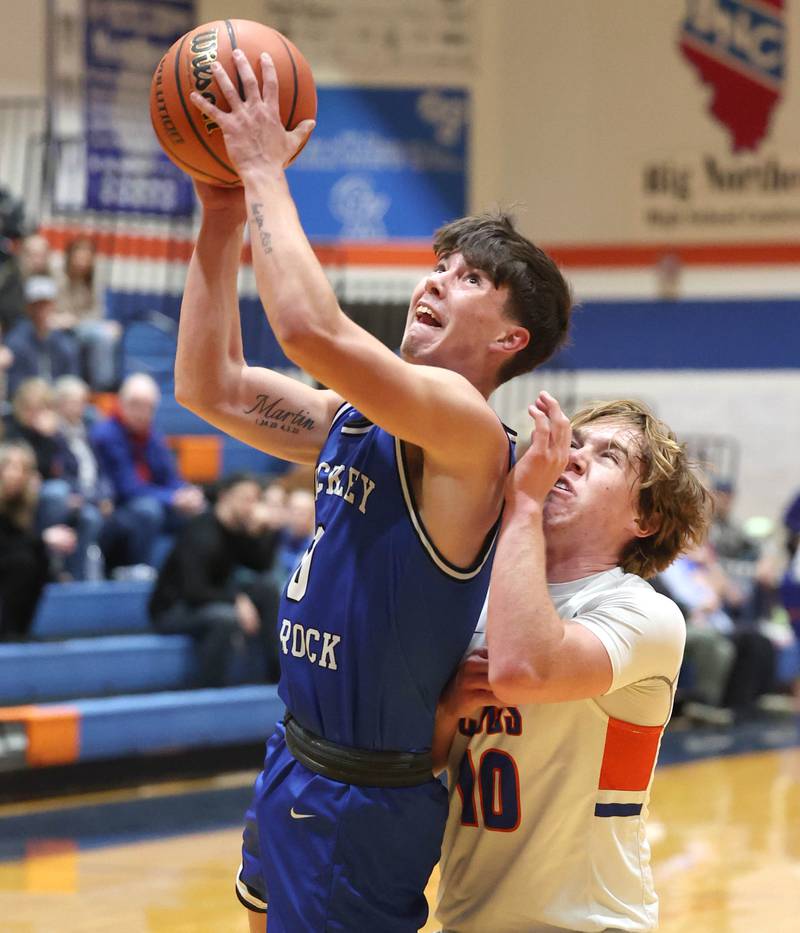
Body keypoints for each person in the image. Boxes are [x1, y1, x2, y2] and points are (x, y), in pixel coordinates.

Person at [178, 51, 571, 933]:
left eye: (470, 277)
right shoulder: (357, 418)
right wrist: (219, 217)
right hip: (295, 752)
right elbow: (211, 388)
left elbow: (310, 328)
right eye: (440, 263)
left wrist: (263, 170)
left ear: (512, 338)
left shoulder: (468, 435)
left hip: (363, 799)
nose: (436, 278)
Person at [432, 396, 711, 933]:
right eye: (574, 444)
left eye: (609, 457)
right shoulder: (475, 597)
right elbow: (420, 762)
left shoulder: (645, 613)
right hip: (468, 919)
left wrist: (525, 506)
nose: (574, 458)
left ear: (645, 518)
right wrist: (449, 710)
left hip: (589, 923)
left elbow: (523, 672)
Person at [148, 472, 282, 687]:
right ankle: (208, 690)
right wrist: (236, 601)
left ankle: (276, 672)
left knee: (267, 588)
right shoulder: (201, 531)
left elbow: (261, 565)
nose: (252, 506)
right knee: (225, 618)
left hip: (209, 598)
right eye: (246, 499)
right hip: (173, 608)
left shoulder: (237, 530)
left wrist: (267, 530)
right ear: (224, 497)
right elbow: (194, 590)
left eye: (256, 500)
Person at [91, 372, 205, 574]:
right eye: (135, 405)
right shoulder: (106, 434)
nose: (142, 413)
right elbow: (128, 489)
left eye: (148, 408)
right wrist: (173, 498)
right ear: (121, 402)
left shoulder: (152, 435)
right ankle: (132, 570)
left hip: (152, 503)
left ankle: (186, 575)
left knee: (199, 511)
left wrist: (186, 494)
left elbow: (169, 477)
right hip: (116, 510)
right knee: (148, 510)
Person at [0, 440, 76, 640]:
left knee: (38, 560)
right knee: (22, 562)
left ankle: (20, 629)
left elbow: (25, 540)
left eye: (21, 469)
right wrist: (44, 539)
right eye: (9, 467)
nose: (14, 474)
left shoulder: (25, 504)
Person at [52, 235, 121, 390]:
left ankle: (101, 388)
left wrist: (105, 325)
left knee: (108, 336)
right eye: (79, 257)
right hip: (61, 328)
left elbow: (98, 312)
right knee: (103, 336)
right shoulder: (58, 276)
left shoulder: (94, 280)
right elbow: (56, 311)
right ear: (70, 257)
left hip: (84, 327)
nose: (83, 262)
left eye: (87, 258)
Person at [3, 275, 81, 396]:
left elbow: (72, 377)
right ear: (28, 307)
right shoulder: (16, 340)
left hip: (58, 401)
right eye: (36, 304)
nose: (41, 309)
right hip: (28, 402)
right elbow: (14, 384)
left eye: (45, 304)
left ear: (53, 305)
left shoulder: (64, 341)